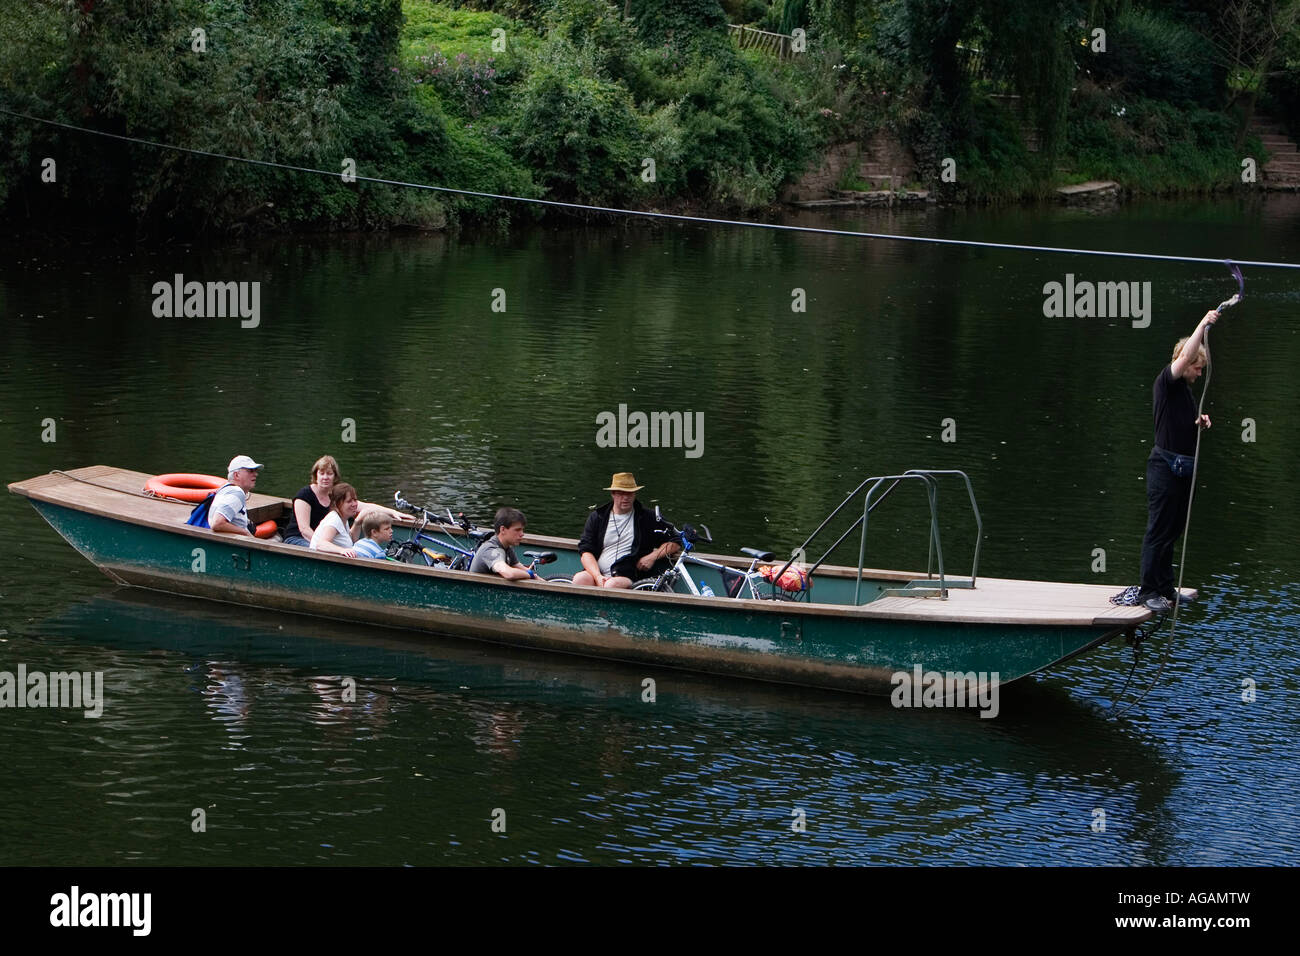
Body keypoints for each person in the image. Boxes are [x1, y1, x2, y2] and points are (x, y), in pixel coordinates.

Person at [1137, 309, 1217, 612]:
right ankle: (1148, 590)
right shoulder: (1167, 380)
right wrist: (1203, 322)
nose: (1198, 373)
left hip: (1184, 468)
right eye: (1197, 368)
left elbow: (1178, 422)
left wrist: (1198, 422)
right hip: (1165, 467)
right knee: (1158, 529)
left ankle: (1166, 588)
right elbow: (1184, 357)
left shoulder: (1183, 390)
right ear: (1184, 363)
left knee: (1173, 530)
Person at [571, 473, 679, 588]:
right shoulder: (598, 516)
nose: (626, 497)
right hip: (597, 572)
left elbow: (675, 542)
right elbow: (585, 551)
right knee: (580, 578)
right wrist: (597, 576)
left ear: (635, 494)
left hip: (628, 574)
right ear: (613, 494)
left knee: (611, 585)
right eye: (621, 493)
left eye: (629, 493)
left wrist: (653, 556)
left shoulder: (648, 517)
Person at [284, 455, 408, 547]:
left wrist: (392, 512)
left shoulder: (337, 495)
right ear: (316, 475)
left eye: (329, 474)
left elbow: (364, 506)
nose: (325, 477)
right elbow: (304, 529)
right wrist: (322, 546)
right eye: (321, 473)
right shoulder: (305, 495)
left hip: (325, 540)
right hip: (298, 539)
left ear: (335, 476)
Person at [469, 508, 545, 582]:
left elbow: (521, 568)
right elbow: (509, 573)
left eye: (522, 530)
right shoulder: (491, 549)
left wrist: (538, 578)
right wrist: (530, 575)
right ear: (503, 530)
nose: (522, 534)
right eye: (517, 530)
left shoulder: (507, 547)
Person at [209, 455, 263, 536]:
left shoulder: (224, 489)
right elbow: (217, 523)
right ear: (236, 475)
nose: (256, 474)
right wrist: (245, 533)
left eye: (255, 471)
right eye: (250, 471)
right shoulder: (237, 492)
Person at [310, 482, 361, 557]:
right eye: (349, 501)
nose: (354, 504)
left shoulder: (343, 518)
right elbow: (321, 544)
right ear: (337, 503)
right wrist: (342, 550)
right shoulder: (334, 520)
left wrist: (358, 522)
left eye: (355, 500)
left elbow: (352, 540)